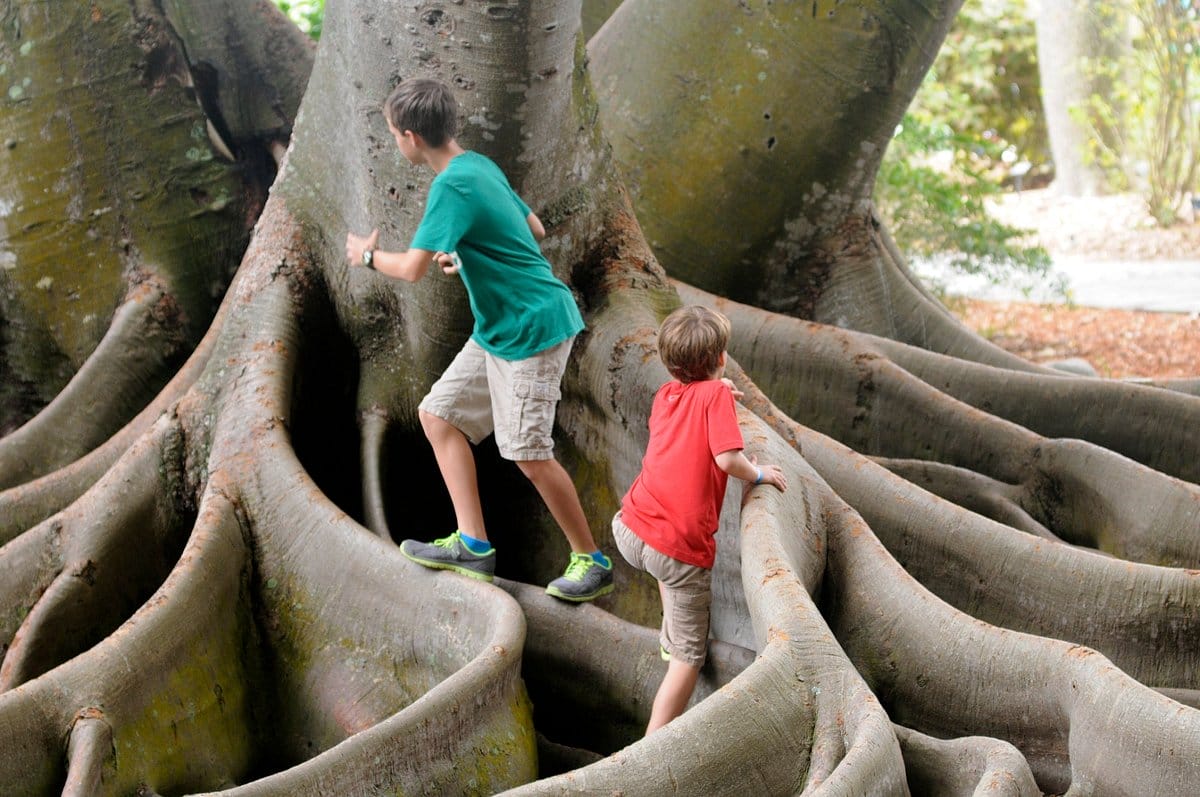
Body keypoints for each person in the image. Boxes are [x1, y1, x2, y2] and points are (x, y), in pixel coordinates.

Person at [345, 79, 613, 602]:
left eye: (392, 135)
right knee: (438, 415)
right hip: (497, 330)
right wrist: (468, 252)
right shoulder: (478, 165)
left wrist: (367, 257)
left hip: (532, 328)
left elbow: (413, 270)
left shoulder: (450, 186)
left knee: (529, 454)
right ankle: (473, 545)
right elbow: (531, 228)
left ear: (409, 137)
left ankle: (592, 560)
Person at [612, 305, 787, 734]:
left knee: (666, 574)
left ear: (670, 362)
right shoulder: (716, 397)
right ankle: (651, 747)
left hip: (630, 528)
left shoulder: (666, 395)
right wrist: (760, 473)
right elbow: (728, 458)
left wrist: (716, 389)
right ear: (722, 357)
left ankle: (671, 633)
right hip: (678, 550)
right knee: (690, 660)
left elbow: (696, 400)